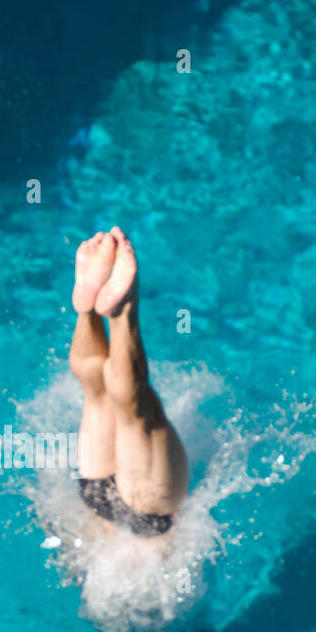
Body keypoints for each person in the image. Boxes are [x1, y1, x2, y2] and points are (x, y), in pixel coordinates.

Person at [70, 225, 188, 537]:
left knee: (139, 415)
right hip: (97, 488)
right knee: (98, 395)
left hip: (144, 510)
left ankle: (118, 309)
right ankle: (93, 310)